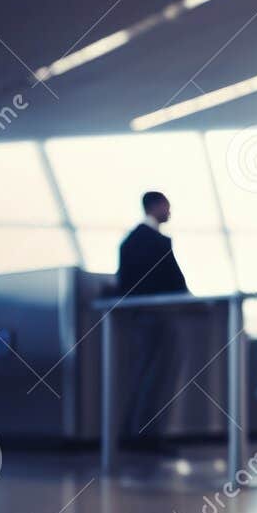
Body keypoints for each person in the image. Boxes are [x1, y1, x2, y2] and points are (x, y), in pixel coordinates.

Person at [116, 192, 189, 452]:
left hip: (141, 316)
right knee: (159, 373)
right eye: (167, 206)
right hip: (159, 314)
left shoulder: (129, 241)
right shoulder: (155, 241)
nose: (169, 212)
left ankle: (134, 433)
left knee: (145, 371)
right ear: (156, 206)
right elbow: (173, 280)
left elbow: (123, 282)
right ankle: (147, 435)